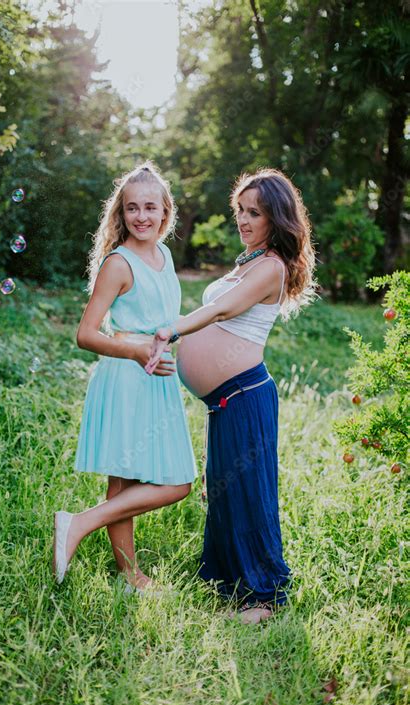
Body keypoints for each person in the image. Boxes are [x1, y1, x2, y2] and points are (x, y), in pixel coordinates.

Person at [145, 168, 318, 623]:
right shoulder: (250, 261)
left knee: (248, 491)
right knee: (223, 491)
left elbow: (223, 308)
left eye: (253, 212)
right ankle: (227, 578)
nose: (242, 219)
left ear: (275, 218)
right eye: (239, 210)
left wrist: (173, 328)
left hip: (245, 394)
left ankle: (264, 596)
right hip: (226, 398)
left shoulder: (271, 267)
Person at [52, 161, 197, 593]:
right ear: (121, 214)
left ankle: (83, 527)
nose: (141, 216)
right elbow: (86, 334)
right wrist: (135, 351)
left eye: (150, 207)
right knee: (131, 478)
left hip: (157, 376)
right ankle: (127, 573)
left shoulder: (165, 256)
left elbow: (165, 319)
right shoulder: (119, 263)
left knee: (164, 482)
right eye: (132, 208)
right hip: (127, 376)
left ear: (166, 212)